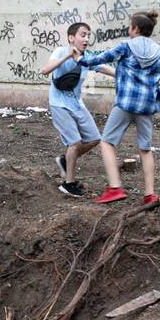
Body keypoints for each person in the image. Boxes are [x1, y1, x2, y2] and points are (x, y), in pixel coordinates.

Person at [48, 11, 160, 206]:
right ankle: (150, 194)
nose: (128, 29)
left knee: (106, 143)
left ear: (134, 29)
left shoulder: (126, 46)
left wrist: (80, 60)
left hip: (126, 103)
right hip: (147, 106)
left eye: (130, 26)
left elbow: (101, 58)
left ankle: (115, 188)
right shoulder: (159, 51)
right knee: (145, 149)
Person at [41, 22, 114, 197]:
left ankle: (65, 161)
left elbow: (103, 67)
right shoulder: (60, 51)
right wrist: (68, 56)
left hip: (76, 104)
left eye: (88, 35)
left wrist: (127, 75)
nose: (86, 39)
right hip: (59, 103)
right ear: (71, 37)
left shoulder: (86, 58)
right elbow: (45, 70)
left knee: (94, 138)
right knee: (74, 143)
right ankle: (68, 184)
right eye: (83, 35)